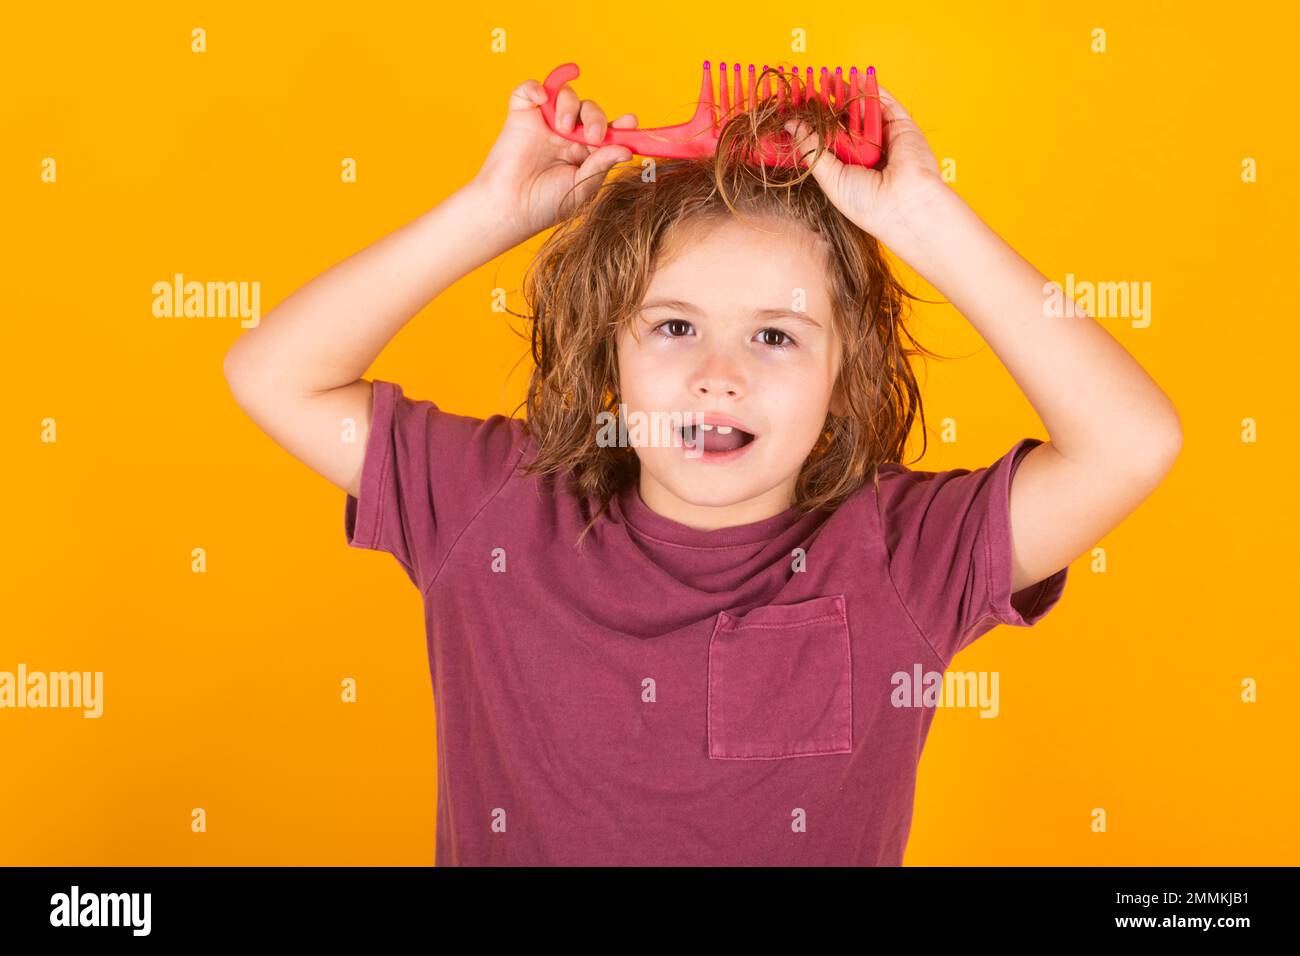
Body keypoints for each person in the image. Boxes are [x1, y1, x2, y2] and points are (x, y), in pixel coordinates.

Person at [223, 70, 1181, 865]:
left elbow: (1131, 443)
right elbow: (272, 375)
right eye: (675, 327)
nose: (718, 378)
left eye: (777, 335)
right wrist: (492, 212)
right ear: (613, 353)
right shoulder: (494, 508)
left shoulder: (901, 554)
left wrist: (925, 220)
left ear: (846, 381)